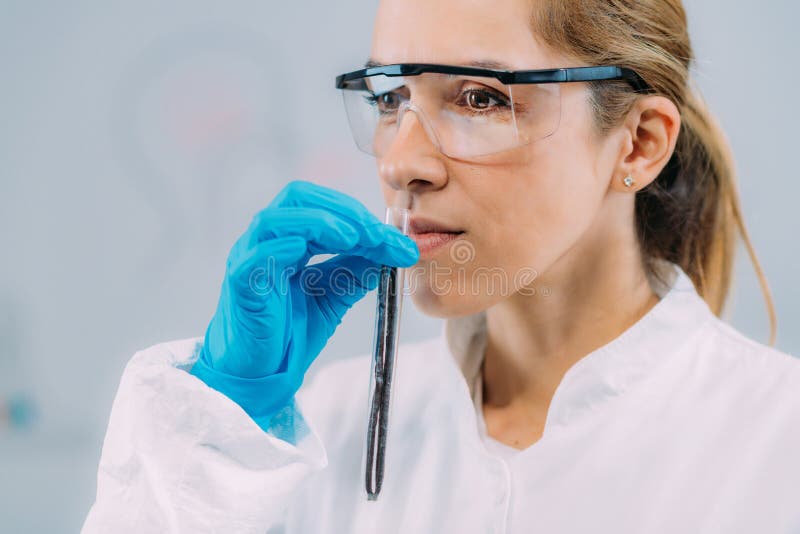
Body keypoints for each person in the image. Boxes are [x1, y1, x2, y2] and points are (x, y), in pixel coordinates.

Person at [82, 0, 800, 532]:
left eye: (480, 98)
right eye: (390, 98)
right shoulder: (311, 434)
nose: (400, 162)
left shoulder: (776, 441)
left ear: (639, 144)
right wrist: (218, 434)